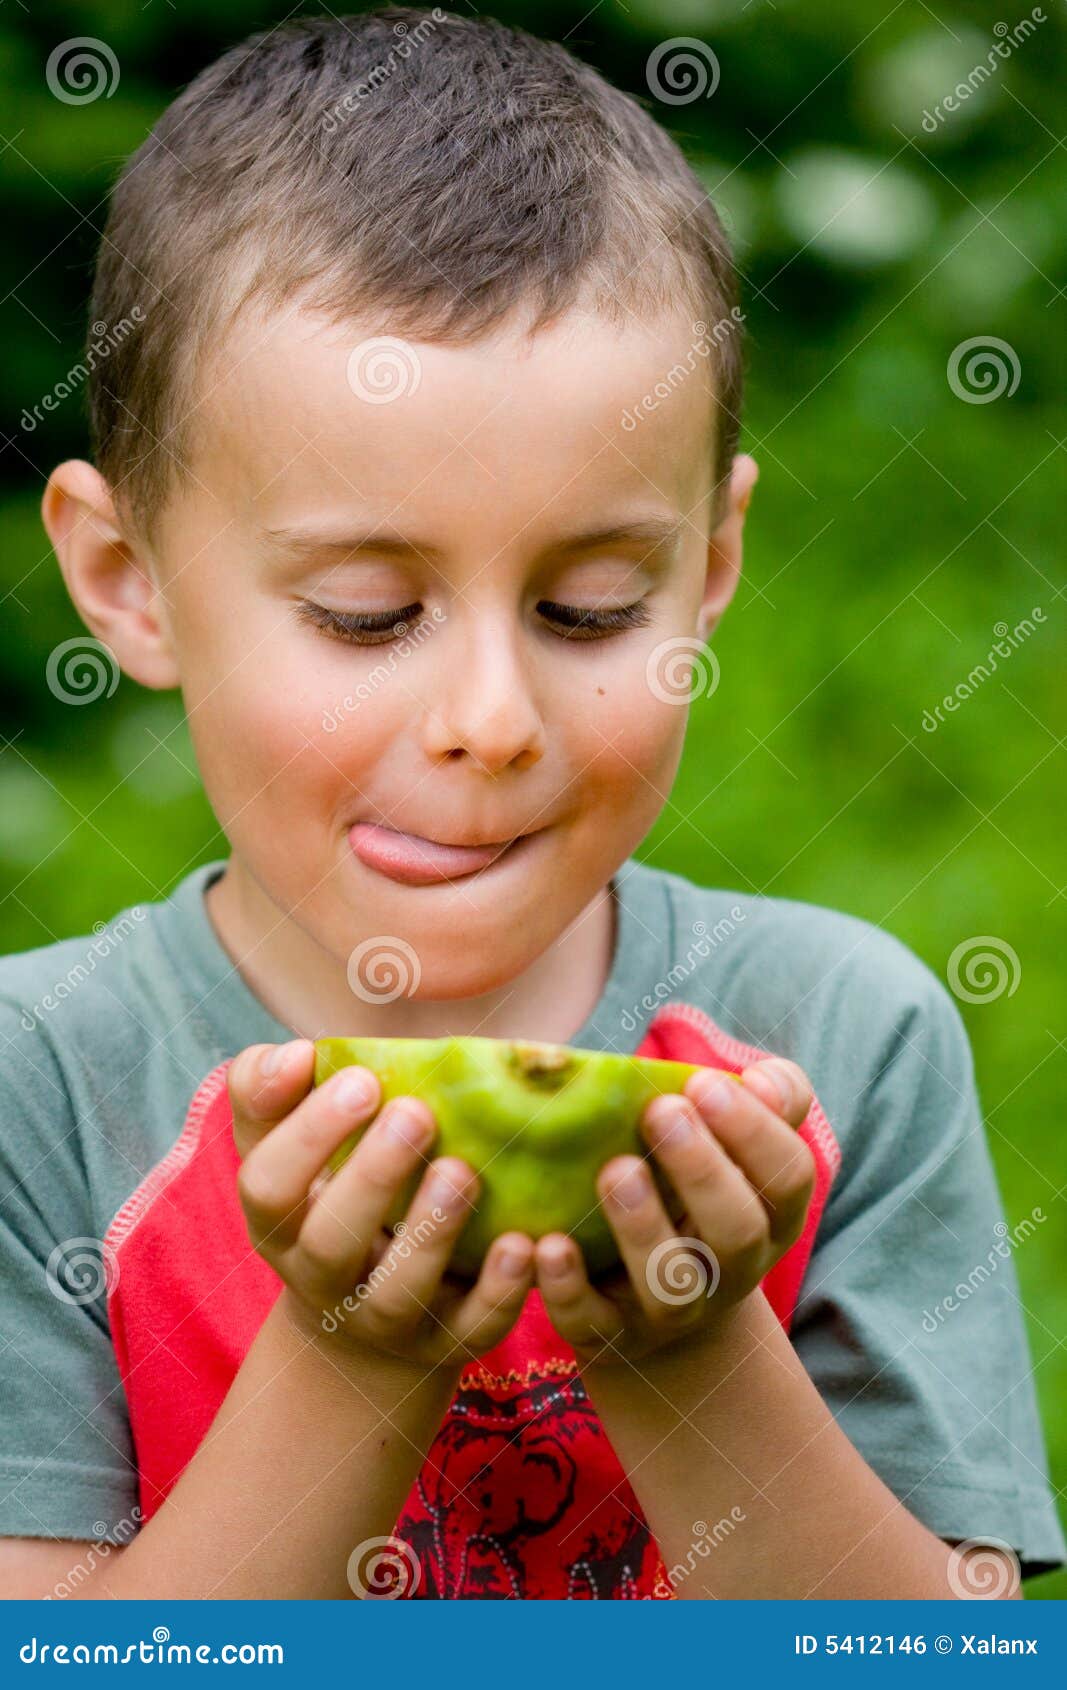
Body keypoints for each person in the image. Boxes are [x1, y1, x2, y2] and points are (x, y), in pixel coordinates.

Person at [1, 8, 1061, 1600]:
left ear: (710, 566)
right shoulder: (43, 1093)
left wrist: (691, 1348)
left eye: (588, 612)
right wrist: (353, 1354)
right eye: (366, 611)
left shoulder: (837, 1047)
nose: (492, 722)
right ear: (124, 579)